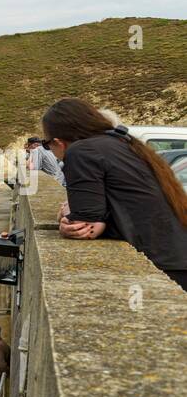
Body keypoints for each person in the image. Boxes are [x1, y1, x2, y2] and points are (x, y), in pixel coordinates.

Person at [45, 98, 187, 291]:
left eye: (47, 144)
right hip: (175, 254)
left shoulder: (81, 151)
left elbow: (82, 224)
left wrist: (68, 219)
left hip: (161, 264)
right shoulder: (121, 141)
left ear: (58, 142)